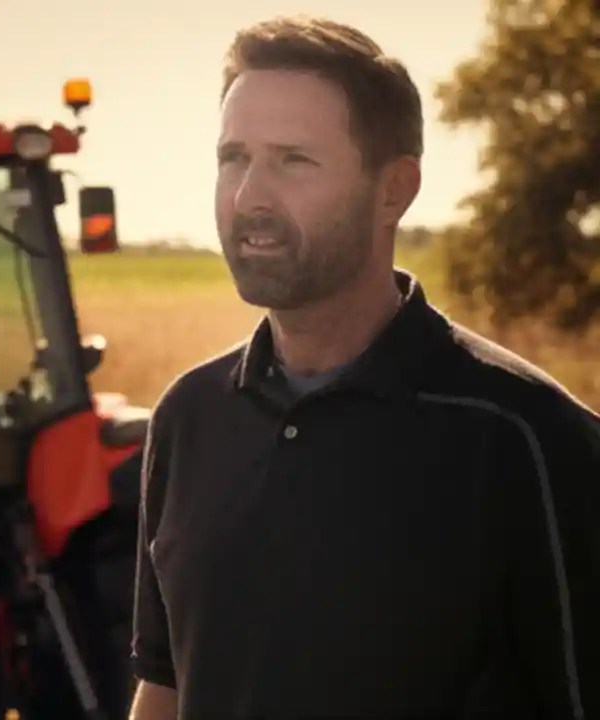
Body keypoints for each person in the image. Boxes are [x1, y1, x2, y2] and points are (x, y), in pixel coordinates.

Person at [129, 15, 600, 719]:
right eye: (234, 157)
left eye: (293, 160)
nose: (249, 196)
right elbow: (165, 686)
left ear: (393, 190)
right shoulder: (189, 417)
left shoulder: (526, 441)